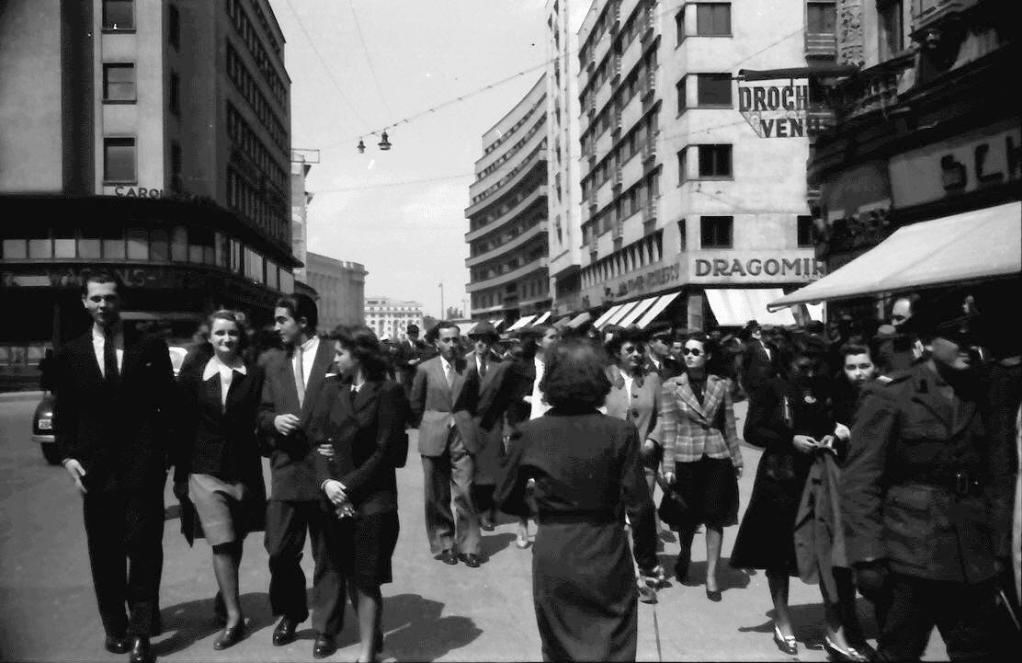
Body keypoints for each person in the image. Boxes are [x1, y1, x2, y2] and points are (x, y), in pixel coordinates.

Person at [840, 302, 1016, 661]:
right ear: (928, 342)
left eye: (974, 337)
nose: (968, 345)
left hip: (972, 550)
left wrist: (1001, 549)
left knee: (979, 652)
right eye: (957, 338)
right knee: (899, 652)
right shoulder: (890, 394)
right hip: (908, 551)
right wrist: (867, 555)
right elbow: (860, 480)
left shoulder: (983, 390)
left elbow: (999, 474)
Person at [495, 338, 658, 662]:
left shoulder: (529, 433)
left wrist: (539, 508)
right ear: (597, 380)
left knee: (560, 647)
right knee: (613, 645)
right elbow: (640, 506)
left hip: (556, 549)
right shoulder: (620, 433)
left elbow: (504, 497)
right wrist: (647, 561)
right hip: (606, 548)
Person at [52, 269, 178, 663]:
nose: (103, 305)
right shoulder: (70, 354)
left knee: (144, 548)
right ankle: (115, 626)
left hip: (143, 468)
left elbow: (169, 405)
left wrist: (164, 457)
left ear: (120, 300)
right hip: (96, 471)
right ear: (84, 302)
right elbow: (64, 414)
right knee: (105, 553)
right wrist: (68, 457)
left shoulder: (149, 347)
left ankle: (142, 630)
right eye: (96, 298)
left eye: (109, 297)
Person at [309, 325, 407, 663]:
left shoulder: (388, 392)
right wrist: (326, 483)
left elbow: (385, 452)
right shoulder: (332, 389)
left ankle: (367, 654)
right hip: (335, 498)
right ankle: (367, 641)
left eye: (340, 353)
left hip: (372, 500)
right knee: (346, 572)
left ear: (359, 355)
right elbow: (317, 442)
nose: (335, 359)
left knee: (366, 580)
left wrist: (346, 487)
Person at [730, 336, 833, 656]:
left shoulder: (823, 388)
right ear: (788, 364)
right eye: (804, 367)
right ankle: (783, 618)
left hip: (817, 477)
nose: (810, 373)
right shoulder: (771, 388)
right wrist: (790, 440)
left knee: (823, 548)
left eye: (815, 367)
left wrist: (832, 435)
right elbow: (752, 430)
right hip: (780, 478)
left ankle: (834, 624)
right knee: (777, 551)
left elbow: (832, 420)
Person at [257, 293, 345, 658]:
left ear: (303, 322)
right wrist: (273, 421)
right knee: (279, 550)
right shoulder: (273, 362)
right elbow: (261, 411)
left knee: (328, 554)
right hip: (287, 469)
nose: (276, 326)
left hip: (326, 469)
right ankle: (291, 612)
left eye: (282, 320)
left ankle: (326, 628)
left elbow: (351, 402)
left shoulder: (334, 355)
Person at [173, 310, 267, 650]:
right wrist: (180, 476)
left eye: (232, 333)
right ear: (209, 337)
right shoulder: (193, 375)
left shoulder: (254, 374)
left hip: (243, 469)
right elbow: (181, 426)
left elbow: (261, 417)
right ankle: (233, 617)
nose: (227, 339)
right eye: (220, 333)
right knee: (222, 542)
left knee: (236, 539)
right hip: (204, 468)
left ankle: (223, 597)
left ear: (241, 337)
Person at [659, 332, 743, 602]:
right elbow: (668, 428)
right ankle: (684, 553)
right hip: (685, 456)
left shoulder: (720, 385)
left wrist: (736, 458)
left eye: (696, 352)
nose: (690, 356)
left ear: (707, 356)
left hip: (716, 456)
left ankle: (711, 575)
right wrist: (668, 465)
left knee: (715, 517)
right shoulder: (671, 386)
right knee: (687, 516)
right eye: (686, 351)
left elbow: (728, 424)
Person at [410, 321, 483, 567]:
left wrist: (465, 421)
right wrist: (429, 423)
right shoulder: (425, 369)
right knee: (437, 493)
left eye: (455, 339)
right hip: (434, 432)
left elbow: (474, 400)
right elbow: (416, 403)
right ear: (436, 343)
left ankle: (469, 546)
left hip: (462, 433)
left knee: (466, 490)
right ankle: (444, 543)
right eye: (446, 340)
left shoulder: (468, 367)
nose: (452, 344)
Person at [483, 324, 560, 548]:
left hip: (553, 426)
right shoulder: (520, 365)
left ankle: (547, 525)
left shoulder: (560, 365)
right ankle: (523, 523)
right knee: (523, 479)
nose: (556, 341)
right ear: (538, 341)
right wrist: (525, 399)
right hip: (526, 426)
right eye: (552, 337)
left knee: (550, 478)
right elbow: (506, 395)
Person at [465, 321, 506, 531]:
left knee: (489, 469)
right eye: (477, 340)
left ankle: (486, 511)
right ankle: (473, 511)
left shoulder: (501, 365)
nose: (480, 343)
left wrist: (506, 429)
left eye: (485, 340)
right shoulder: (463, 363)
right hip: (468, 422)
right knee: (469, 469)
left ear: (491, 342)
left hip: (492, 423)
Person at [395, 323, 427, 399]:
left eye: (416, 333)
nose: (415, 336)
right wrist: (407, 363)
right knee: (407, 395)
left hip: (418, 373)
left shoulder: (421, 345)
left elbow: (424, 356)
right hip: (406, 374)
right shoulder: (402, 345)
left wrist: (419, 360)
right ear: (409, 334)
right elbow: (397, 360)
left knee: (418, 395)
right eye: (413, 334)